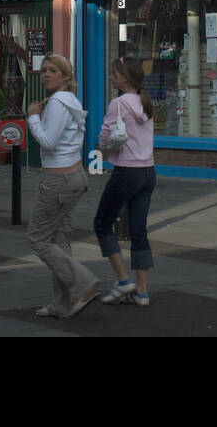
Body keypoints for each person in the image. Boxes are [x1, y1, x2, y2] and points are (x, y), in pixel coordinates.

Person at [26, 53, 101, 318]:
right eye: (44, 70)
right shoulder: (69, 100)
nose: (46, 74)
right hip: (72, 177)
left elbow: (48, 141)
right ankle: (64, 303)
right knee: (59, 239)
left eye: (53, 71)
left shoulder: (58, 102)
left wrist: (33, 117)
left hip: (59, 181)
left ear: (66, 76)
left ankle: (82, 283)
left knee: (38, 239)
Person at [93, 56, 156, 306]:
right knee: (139, 231)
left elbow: (105, 138)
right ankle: (142, 291)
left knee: (101, 223)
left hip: (126, 171)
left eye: (114, 73)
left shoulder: (118, 104)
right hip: (148, 172)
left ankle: (122, 279)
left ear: (125, 78)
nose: (111, 77)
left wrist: (103, 148)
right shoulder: (145, 102)